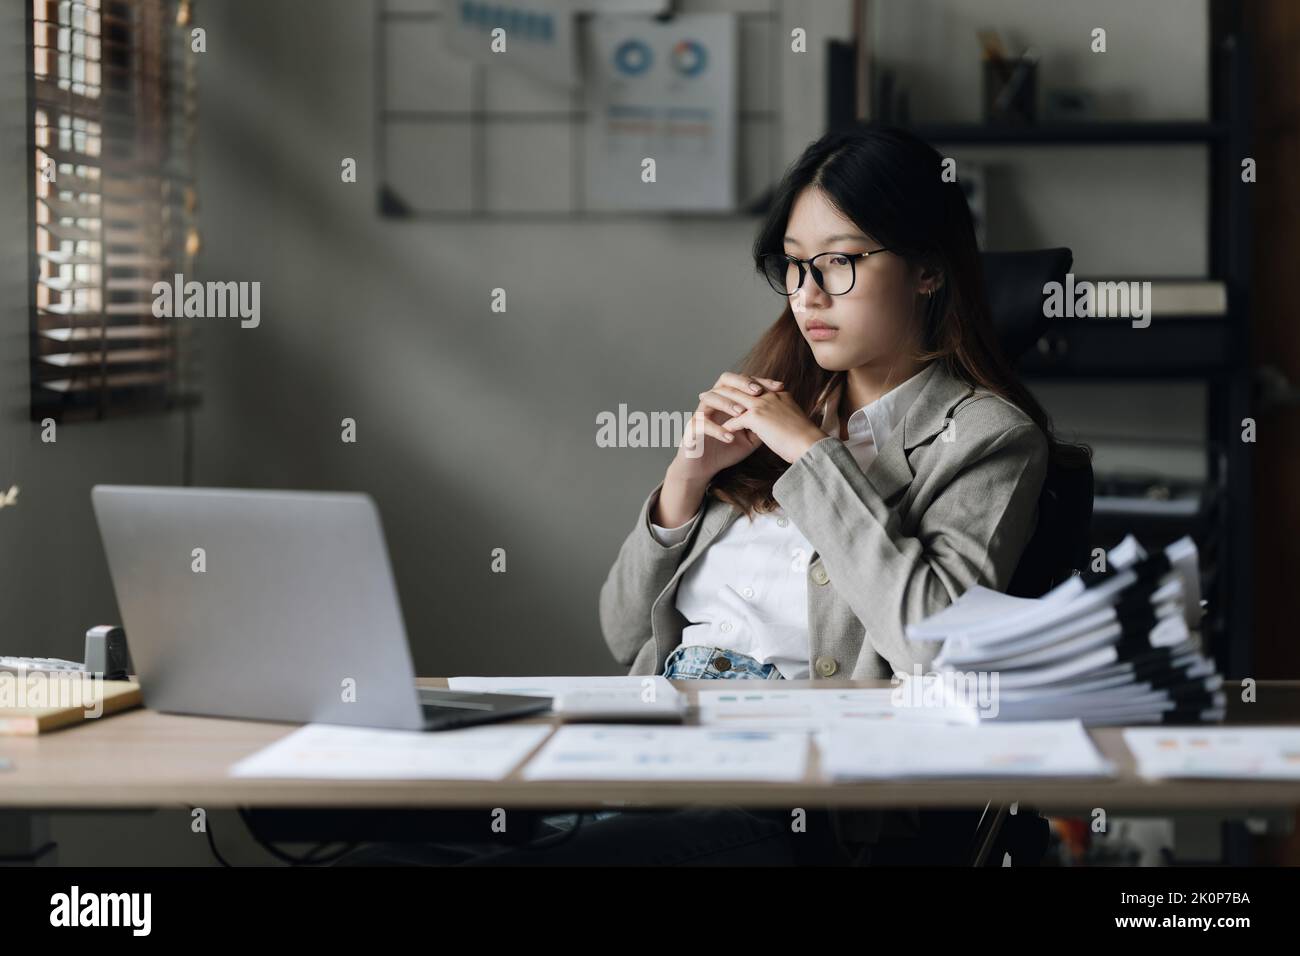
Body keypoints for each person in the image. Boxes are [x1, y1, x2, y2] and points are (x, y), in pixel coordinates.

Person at [337, 125, 1088, 866]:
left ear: (927, 271)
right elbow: (623, 634)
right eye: (794, 265)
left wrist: (812, 455)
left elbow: (937, 651)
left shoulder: (987, 438)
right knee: (376, 857)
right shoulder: (773, 405)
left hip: (788, 793)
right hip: (648, 752)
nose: (808, 293)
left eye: (840, 261)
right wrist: (686, 483)